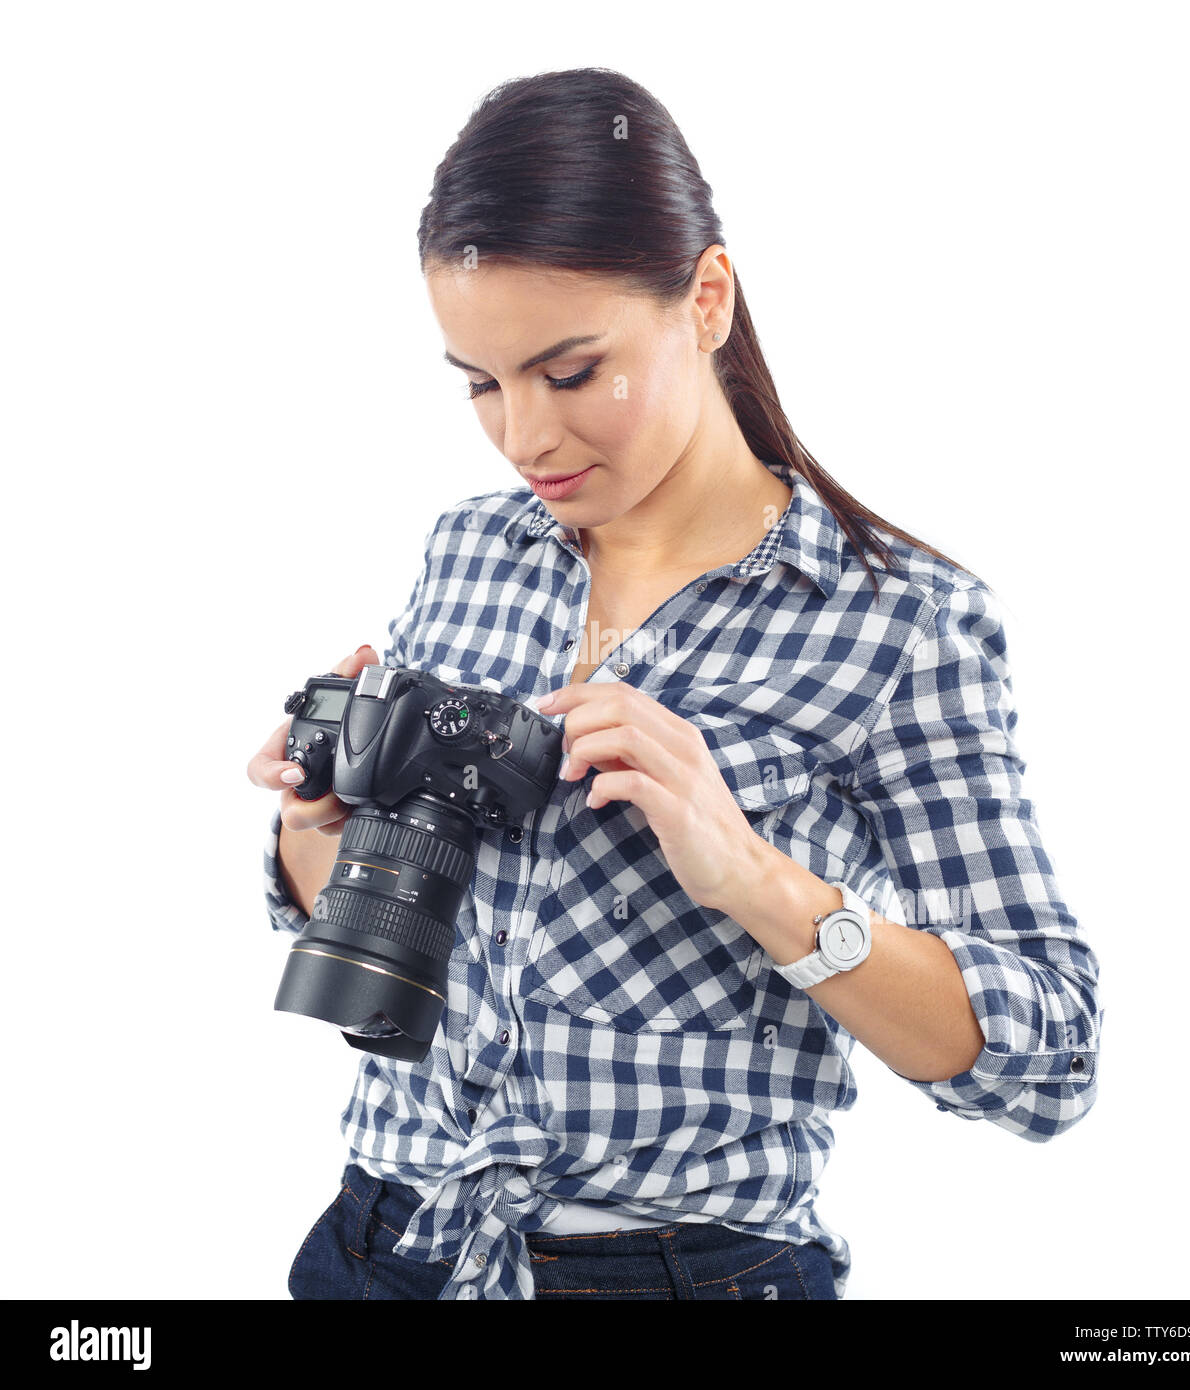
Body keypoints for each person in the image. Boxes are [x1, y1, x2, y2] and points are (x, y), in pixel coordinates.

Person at [247, 67, 1102, 1302]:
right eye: (482, 383)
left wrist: (753, 875)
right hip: (385, 1242)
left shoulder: (899, 619)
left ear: (705, 298)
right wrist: (317, 826)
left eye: (573, 370)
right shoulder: (470, 549)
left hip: (680, 1272)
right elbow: (406, 942)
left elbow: (1050, 1056)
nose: (525, 438)